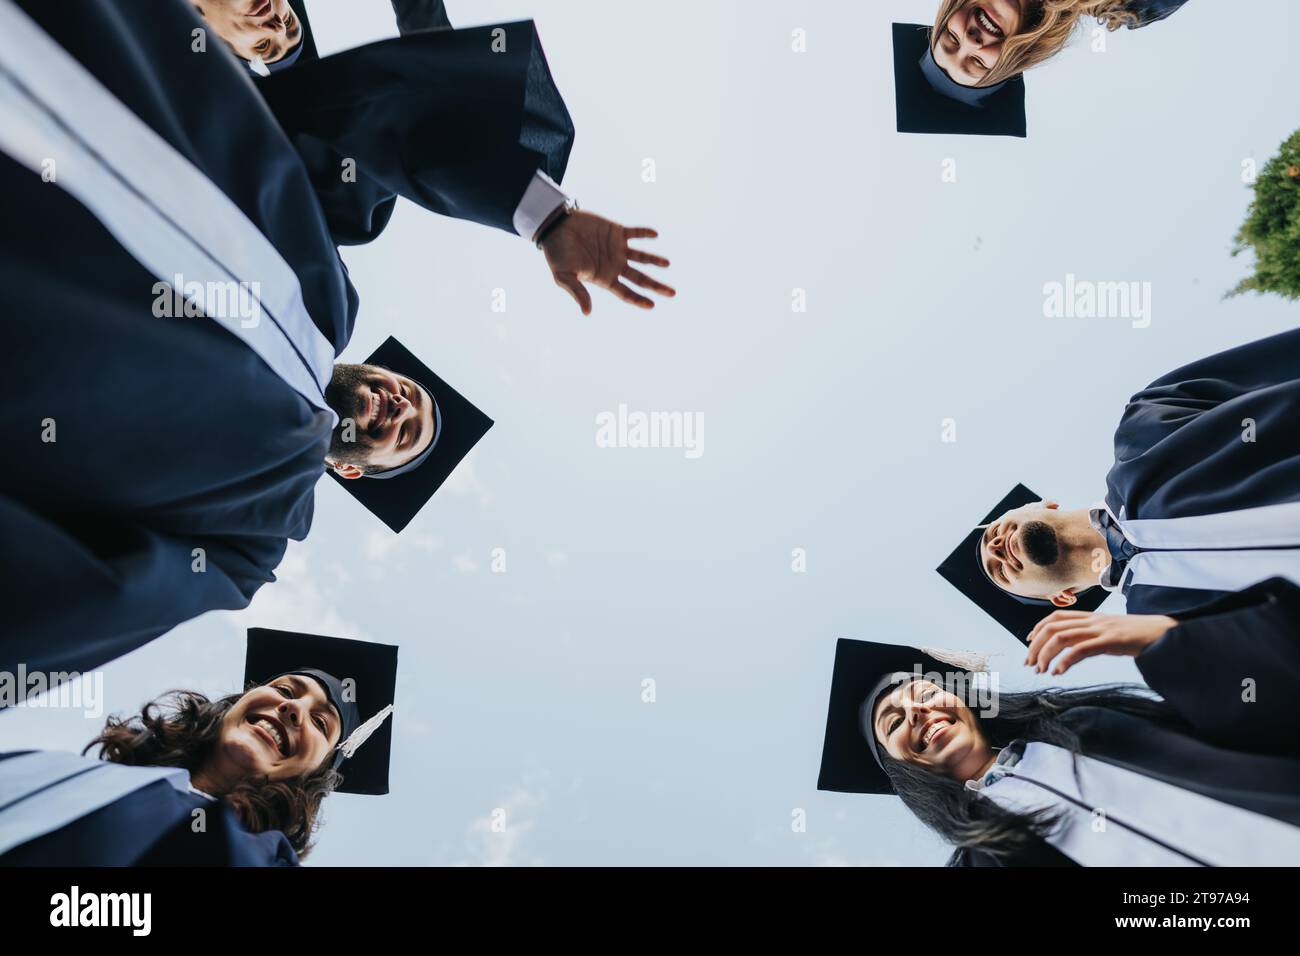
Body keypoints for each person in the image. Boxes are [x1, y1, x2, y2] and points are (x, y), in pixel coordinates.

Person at [0, 0, 670, 693]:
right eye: (407, 395)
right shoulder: (328, 273)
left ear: (353, 472)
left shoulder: (248, 537)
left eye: (402, 434)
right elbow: (360, 116)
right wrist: (543, 215)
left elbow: (94, 593)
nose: (395, 404)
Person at [816, 578, 1300, 866]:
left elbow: (1258, 716)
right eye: (894, 721)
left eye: (924, 693)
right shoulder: (977, 861)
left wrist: (1167, 637)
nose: (918, 711)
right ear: (896, 763)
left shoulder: (1091, 723)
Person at [938, 329, 1300, 641]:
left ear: (1044, 503)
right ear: (1063, 599)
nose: (996, 549)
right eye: (998, 571)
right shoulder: (1166, 633)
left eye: (993, 534)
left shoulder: (1149, 426)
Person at [0, 629, 397, 866]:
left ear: (317, 774)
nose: (293, 707)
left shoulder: (261, 859)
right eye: (283, 690)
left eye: (320, 721)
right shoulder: (61, 769)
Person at [892, 1, 1191, 137]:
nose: (970, 41)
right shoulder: (1130, 4)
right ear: (1017, 57)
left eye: (952, 38)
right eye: (978, 62)